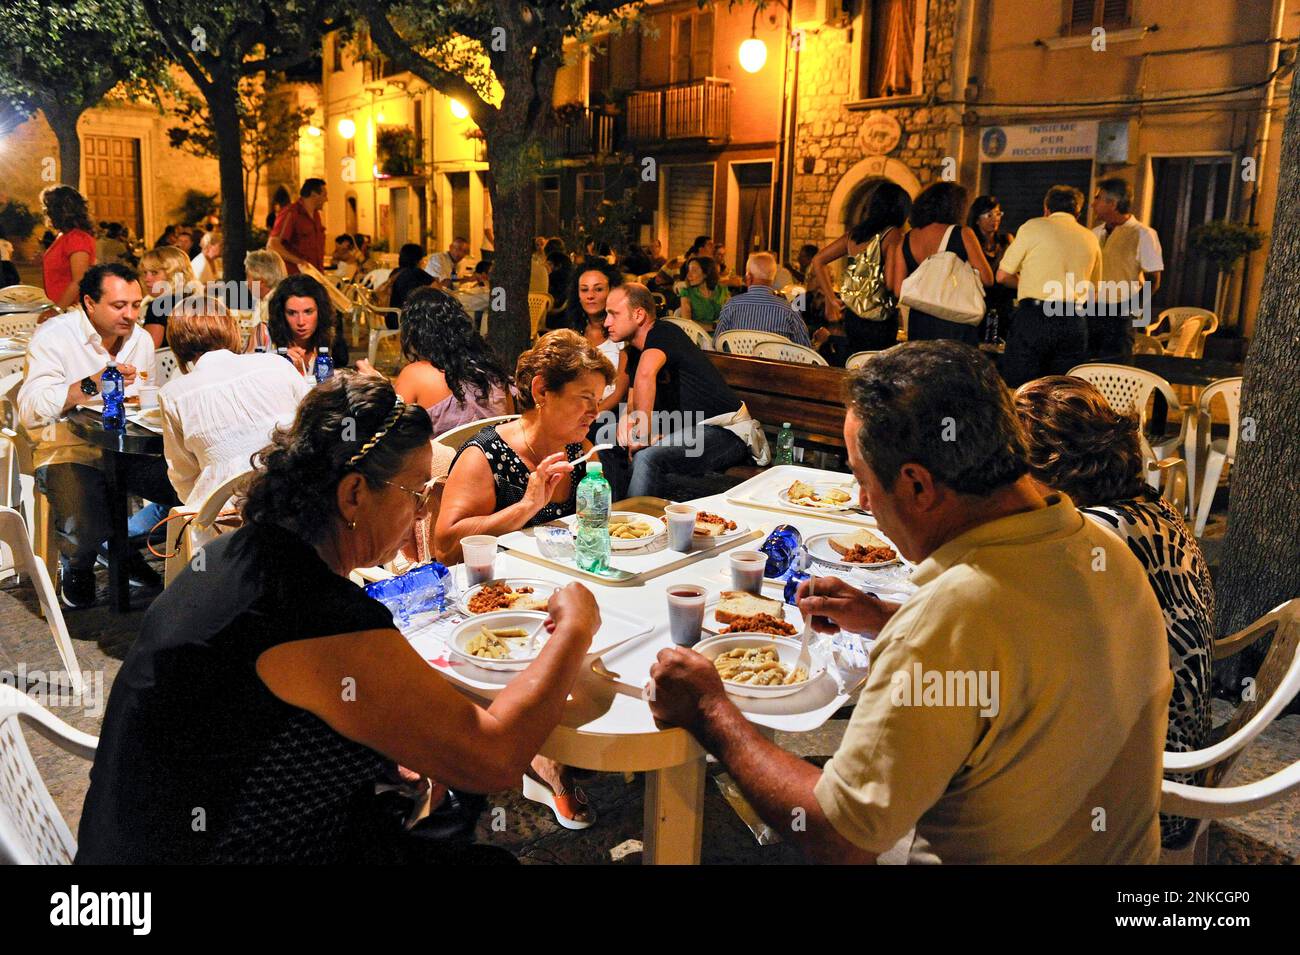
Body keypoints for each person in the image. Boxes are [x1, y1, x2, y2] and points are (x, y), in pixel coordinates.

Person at [647, 341, 1172, 863]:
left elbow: (839, 833)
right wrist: (882, 617)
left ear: (918, 485)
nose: (860, 501)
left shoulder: (948, 618)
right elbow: (1019, 655)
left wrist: (712, 710)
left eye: (862, 479)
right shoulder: (1103, 548)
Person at [75, 372, 602, 863]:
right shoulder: (310, 609)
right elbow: (495, 759)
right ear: (353, 493)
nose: (422, 512)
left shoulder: (244, 552)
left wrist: (365, 752)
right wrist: (573, 630)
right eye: (416, 494)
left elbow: (255, 723)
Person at [1013, 375, 1212, 849]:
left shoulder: (1094, 537)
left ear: (1051, 468)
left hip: (1150, 789)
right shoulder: (1146, 503)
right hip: (1177, 744)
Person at [435, 331, 612, 831]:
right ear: (540, 390)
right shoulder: (484, 454)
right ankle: (543, 755)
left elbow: (588, 522)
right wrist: (527, 505)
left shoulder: (579, 449)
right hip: (493, 603)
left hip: (559, 585)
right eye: (582, 400)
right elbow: (447, 543)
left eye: (597, 403)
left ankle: (569, 736)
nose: (591, 414)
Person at [18, 264, 177, 607]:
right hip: (67, 447)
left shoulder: (141, 340)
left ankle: (120, 547)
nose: (131, 315)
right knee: (83, 516)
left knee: (185, 487)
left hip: (127, 450)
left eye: (136, 305)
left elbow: (142, 398)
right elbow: (29, 408)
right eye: (119, 306)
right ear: (89, 303)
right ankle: (79, 564)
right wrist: (92, 383)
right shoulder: (55, 337)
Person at [603, 283, 758, 499]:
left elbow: (645, 375)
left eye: (613, 314)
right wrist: (627, 419)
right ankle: (613, 517)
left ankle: (636, 526)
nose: (606, 322)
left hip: (725, 431)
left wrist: (643, 432)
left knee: (647, 457)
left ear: (638, 315)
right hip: (683, 428)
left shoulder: (664, 332)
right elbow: (633, 397)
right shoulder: (635, 350)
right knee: (607, 440)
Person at [158, 296, 311, 509]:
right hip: (294, 502)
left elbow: (183, 477)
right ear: (232, 329)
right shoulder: (276, 363)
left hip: (225, 521)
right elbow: (312, 423)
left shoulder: (173, 394)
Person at [996, 185, 1103, 387]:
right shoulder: (1090, 238)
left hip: (1034, 318)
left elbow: (1002, 276)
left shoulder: (1032, 227)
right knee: (1062, 391)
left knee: (1022, 387)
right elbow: (1093, 292)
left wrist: (1025, 282)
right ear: (1078, 212)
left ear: (1046, 208)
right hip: (1073, 321)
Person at [809, 181, 911, 359]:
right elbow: (891, 280)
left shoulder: (855, 235)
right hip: (880, 319)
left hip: (853, 316)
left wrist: (831, 298)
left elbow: (818, 260)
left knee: (855, 360)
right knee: (877, 366)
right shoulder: (893, 235)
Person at [886, 181, 993, 346]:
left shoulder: (906, 239)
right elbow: (987, 279)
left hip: (919, 323)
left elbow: (898, 289)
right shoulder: (963, 234)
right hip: (955, 321)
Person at [393, 287, 513, 434]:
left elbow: (394, 434)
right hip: (493, 455)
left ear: (415, 333)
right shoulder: (492, 371)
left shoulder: (416, 375)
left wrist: (378, 388)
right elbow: (510, 422)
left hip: (444, 457)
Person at [1091, 177, 1164, 360]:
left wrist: (1130, 309)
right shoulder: (1094, 233)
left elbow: (1153, 279)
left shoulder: (1143, 234)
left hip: (1120, 312)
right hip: (1091, 310)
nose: (1093, 204)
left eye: (1098, 198)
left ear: (1113, 203)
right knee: (1088, 366)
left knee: (1116, 365)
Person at [559, 260, 629, 417]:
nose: (590, 296)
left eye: (598, 289)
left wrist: (590, 416)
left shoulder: (623, 334)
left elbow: (619, 393)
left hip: (609, 414)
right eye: (584, 290)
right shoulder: (574, 333)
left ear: (612, 291)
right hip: (575, 410)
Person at [712, 252, 811, 348]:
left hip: (739, 364)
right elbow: (805, 348)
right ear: (773, 278)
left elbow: (717, 342)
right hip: (776, 364)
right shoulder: (789, 310)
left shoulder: (731, 305)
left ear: (748, 277)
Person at [266, 273, 349, 378]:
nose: (301, 321)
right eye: (292, 313)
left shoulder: (333, 341)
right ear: (282, 314)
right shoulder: (265, 334)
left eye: (308, 312)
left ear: (320, 311)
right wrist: (275, 359)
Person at [38, 185, 97, 315]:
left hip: (72, 311)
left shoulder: (77, 238)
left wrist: (57, 309)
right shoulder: (64, 236)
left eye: (49, 209)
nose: (46, 213)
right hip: (63, 309)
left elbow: (80, 279)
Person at [967, 195, 1016, 343]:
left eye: (998, 214)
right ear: (977, 219)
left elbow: (1015, 270)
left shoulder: (1006, 240)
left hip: (1002, 305)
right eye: (989, 215)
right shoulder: (971, 242)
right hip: (979, 303)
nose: (995, 218)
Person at [139, 246, 197, 348]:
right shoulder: (193, 298)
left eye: (154, 272)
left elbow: (148, 348)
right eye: (145, 272)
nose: (146, 279)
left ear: (173, 274)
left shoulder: (160, 305)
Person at [268, 178, 327, 275]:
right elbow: (272, 245)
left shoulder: (316, 216)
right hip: (296, 278)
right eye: (324, 195)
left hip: (314, 276)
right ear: (314, 194)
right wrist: (299, 262)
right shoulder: (291, 213)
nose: (326, 199)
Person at [242, 249, 288, 353]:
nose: (246, 283)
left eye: (248, 276)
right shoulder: (263, 299)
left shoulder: (275, 304)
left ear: (261, 280)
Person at [678, 256, 729, 327]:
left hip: (721, 335)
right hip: (697, 336)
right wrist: (713, 326)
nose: (688, 275)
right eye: (688, 271)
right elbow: (687, 324)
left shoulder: (722, 290)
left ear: (706, 273)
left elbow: (729, 317)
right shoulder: (686, 292)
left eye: (694, 271)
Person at [385, 242, 434, 314]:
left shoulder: (395, 272)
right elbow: (438, 289)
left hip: (392, 317)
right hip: (409, 319)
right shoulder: (417, 272)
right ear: (418, 260)